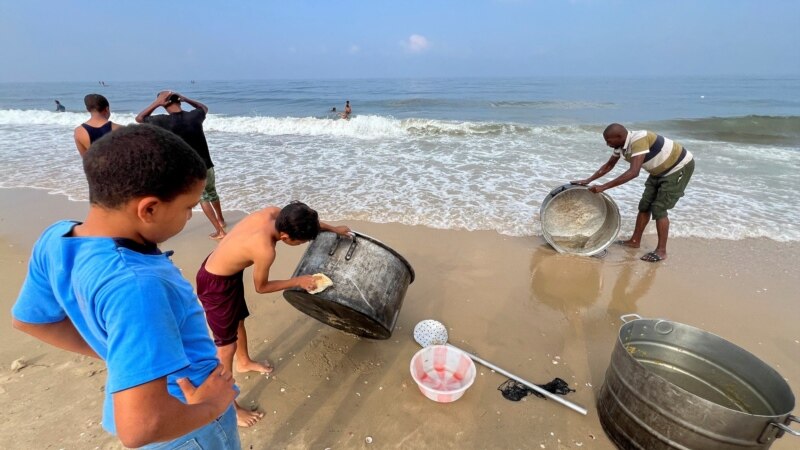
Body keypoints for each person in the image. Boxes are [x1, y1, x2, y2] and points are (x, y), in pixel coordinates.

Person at [11, 124, 239, 449]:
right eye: (188, 207)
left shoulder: (56, 238)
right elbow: (141, 428)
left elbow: (30, 320)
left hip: (159, 402)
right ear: (149, 209)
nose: (189, 217)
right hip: (187, 421)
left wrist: (121, 358)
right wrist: (212, 406)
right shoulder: (138, 286)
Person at [196, 201, 351, 427]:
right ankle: (229, 407)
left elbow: (306, 221)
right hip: (215, 284)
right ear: (287, 237)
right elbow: (262, 286)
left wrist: (334, 229)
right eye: (301, 242)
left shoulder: (272, 213)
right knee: (225, 347)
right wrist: (299, 281)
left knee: (238, 319)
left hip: (225, 271)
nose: (302, 244)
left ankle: (245, 362)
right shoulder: (265, 250)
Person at [572, 123, 695, 262]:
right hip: (657, 171)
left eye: (609, 141)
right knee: (644, 206)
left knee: (659, 208)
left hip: (678, 167)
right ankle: (635, 241)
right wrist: (588, 180)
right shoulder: (620, 146)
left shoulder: (639, 139)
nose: (607, 144)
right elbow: (609, 165)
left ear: (619, 136)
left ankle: (661, 251)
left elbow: (633, 172)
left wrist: (603, 187)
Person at [136, 91, 227, 240]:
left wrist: (157, 103)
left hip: (191, 169)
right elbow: (204, 107)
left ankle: (220, 231)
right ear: (179, 101)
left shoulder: (163, 121)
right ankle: (221, 220)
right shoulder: (194, 116)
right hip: (207, 164)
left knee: (204, 198)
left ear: (165, 104)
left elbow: (140, 118)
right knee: (212, 192)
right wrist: (186, 99)